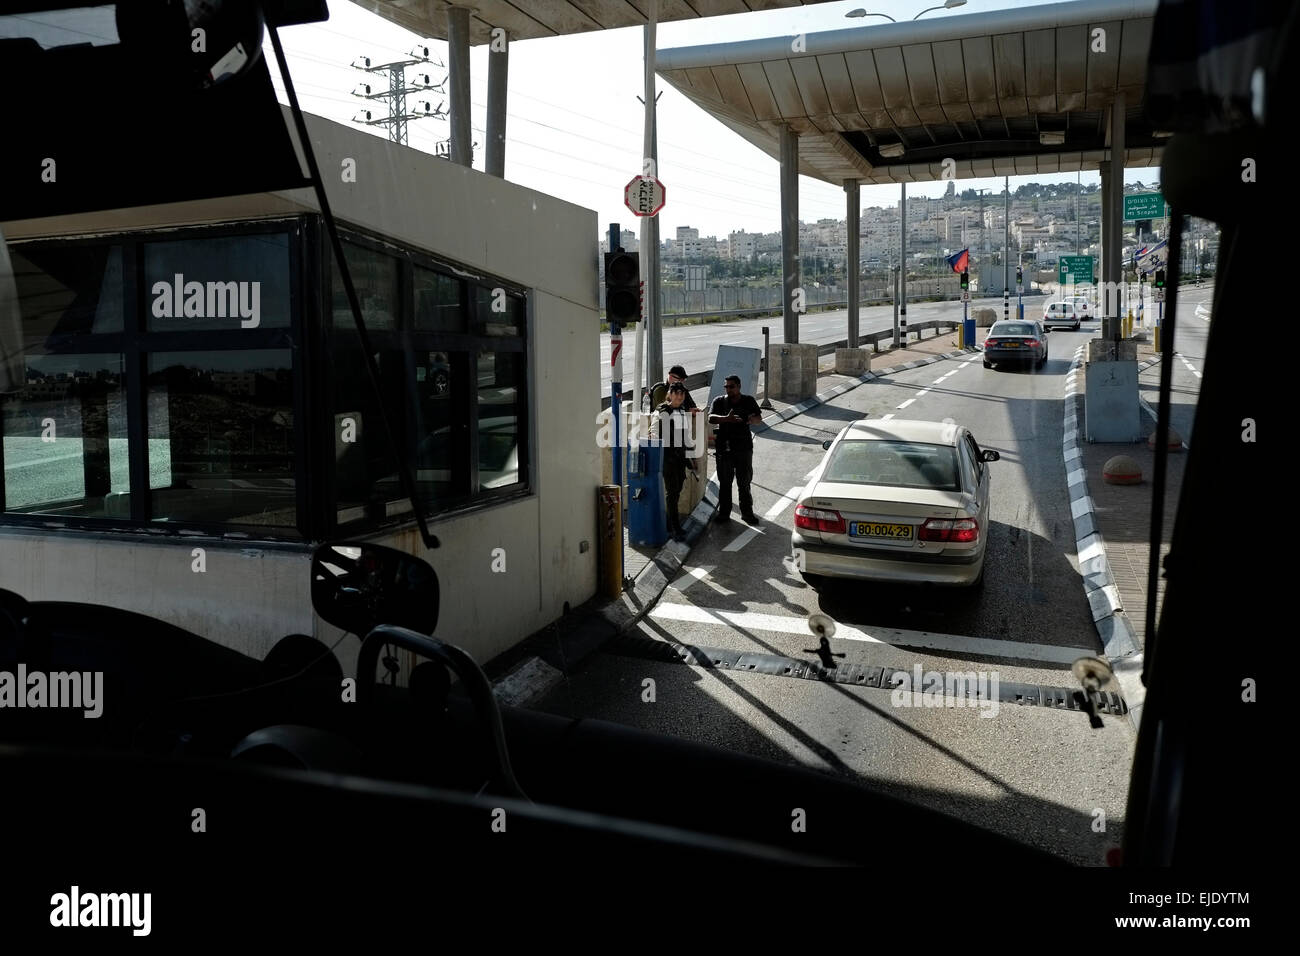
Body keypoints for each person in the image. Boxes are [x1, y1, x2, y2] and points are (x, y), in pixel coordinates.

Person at [707, 375, 763, 524]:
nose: (728, 389)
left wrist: (750, 420)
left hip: (743, 448)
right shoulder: (719, 401)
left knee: (744, 483)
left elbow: (758, 418)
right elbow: (710, 418)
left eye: (731, 386)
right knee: (725, 483)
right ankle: (724, 514)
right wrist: (726, 419)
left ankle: (747, 513)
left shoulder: (748, 400)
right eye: (726, 386)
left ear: (739, 386)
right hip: (724, 449)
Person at [656, 382, 696, 540]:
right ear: (670, 394)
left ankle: (669, 523)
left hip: (679, 458)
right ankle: (674, 527)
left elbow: (685, 436)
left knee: (676, 491)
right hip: (668, 458)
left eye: (682, 394)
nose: (680, 396)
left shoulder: (680, 410)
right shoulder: (663, 410)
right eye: (677, 393)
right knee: (672, 493)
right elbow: (666, 435)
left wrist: (690, 457)